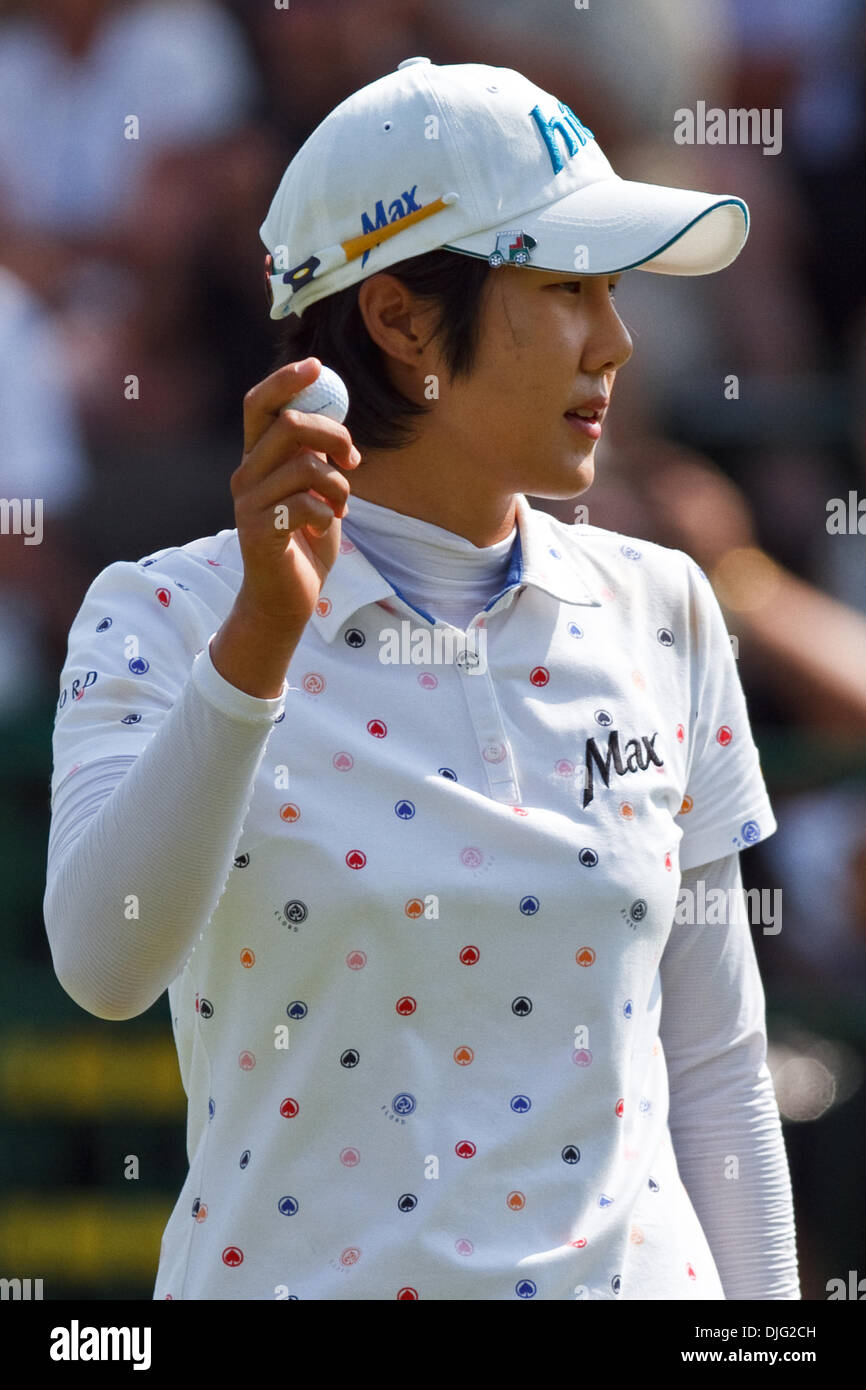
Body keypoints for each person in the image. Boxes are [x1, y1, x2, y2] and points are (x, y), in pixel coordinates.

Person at [43, 58, 799, 1300]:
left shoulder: (665, 606)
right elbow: (102, 962)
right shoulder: (166, 614)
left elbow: (713, 1064)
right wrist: (258, 644)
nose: (613, 339)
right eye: (563, 287)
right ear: (398, 320)